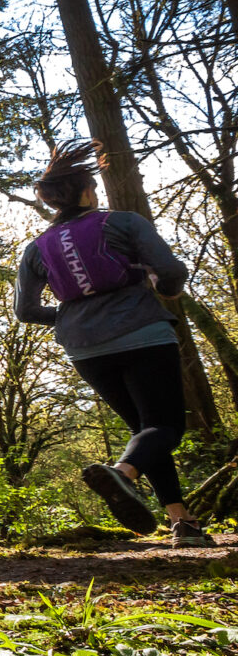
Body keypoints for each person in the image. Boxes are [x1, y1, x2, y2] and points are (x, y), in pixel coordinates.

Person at [14, 142, 218, 548]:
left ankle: (182, 522)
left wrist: (69, 317)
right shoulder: (123, 222)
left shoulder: (36, 248)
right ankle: (122, 474)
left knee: (146, 432)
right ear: (86, 192)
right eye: (92, 186)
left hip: (86, 350)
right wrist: (166, 288)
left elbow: (25, 310)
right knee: (166, 426)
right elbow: (170, 271)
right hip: (142, 333)